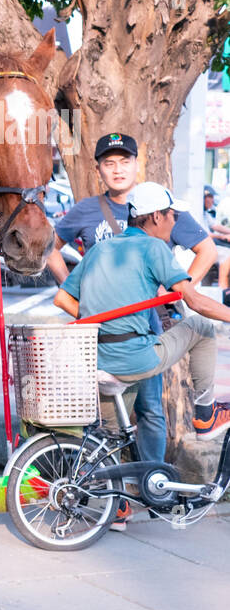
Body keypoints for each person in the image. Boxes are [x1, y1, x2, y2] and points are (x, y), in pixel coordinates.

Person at [45, 134, 214, 466]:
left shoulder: (160, 209)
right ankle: (116, 499)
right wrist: (83, 302)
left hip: (146, 330)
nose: (118, 170)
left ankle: (153, 487)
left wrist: (175, 291)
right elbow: (51, 250)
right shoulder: (86, 210)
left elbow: (206, 250)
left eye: (125, 161)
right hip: (102, 338)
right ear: (98, 171)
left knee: (150, 410)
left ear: (138, 164)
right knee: (106, 422)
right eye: (109, 163)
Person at [200, 185, 230, 301]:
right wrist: (223, 236)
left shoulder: (206, 213)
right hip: (206, 245)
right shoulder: (198, 212)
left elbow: (215, 226)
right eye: (209, 197)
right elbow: (204, 233)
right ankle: (223, 287)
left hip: (212, 242)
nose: (212, 200)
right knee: (227, 253)